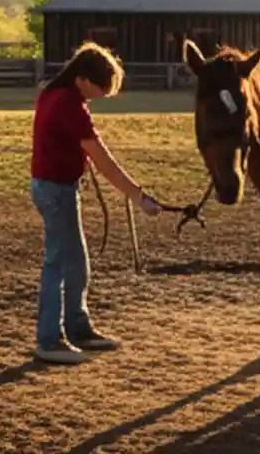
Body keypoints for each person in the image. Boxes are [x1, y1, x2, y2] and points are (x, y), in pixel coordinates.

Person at [30, 42, 161, 365]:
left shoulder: (55, 94)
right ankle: (49, 339)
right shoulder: (69, 105)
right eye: (101, 87)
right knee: (58, 263)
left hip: (57, 188)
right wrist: (138, 196)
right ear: (83, 78)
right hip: (56, 190)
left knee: (76, 263)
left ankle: (77, 328)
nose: (102, 94)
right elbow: (103, 159)